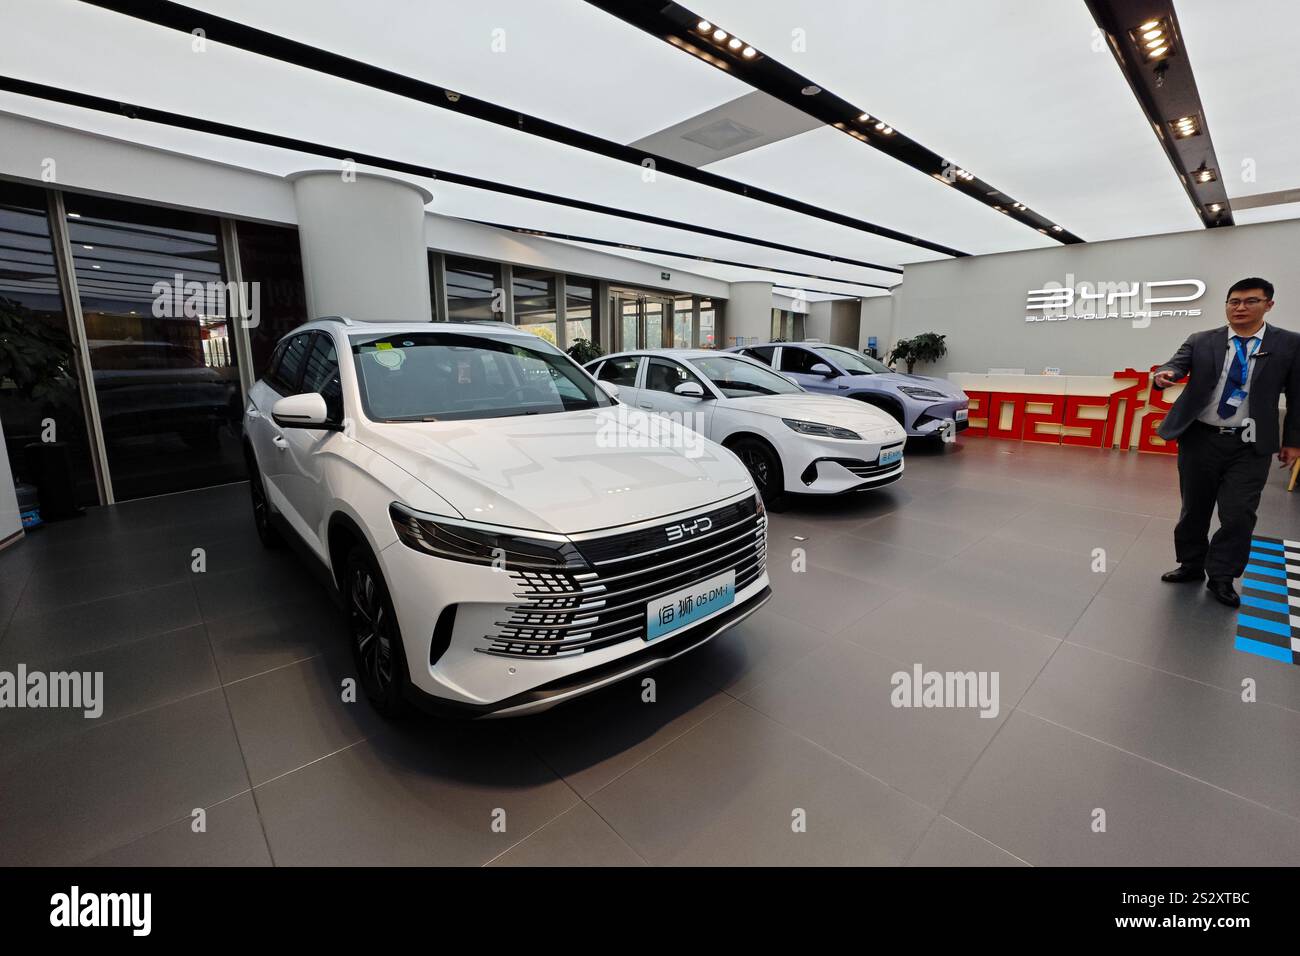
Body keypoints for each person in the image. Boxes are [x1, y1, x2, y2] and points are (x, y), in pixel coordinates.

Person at [1152, 278, 1300, 607]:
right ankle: (1190, 564)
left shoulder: (1289, 344)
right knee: (1194, 508)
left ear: (1268, 305)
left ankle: (1222, 576)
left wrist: (1293, 440)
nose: (1240, 308)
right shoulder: (1202, 340)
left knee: (1238, 514)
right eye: (1234, 301)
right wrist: (1166, 374)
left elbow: (1297, 397)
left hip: (1249, 443)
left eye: (1250, 301)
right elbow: (1175, 364)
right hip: (1200, 438)